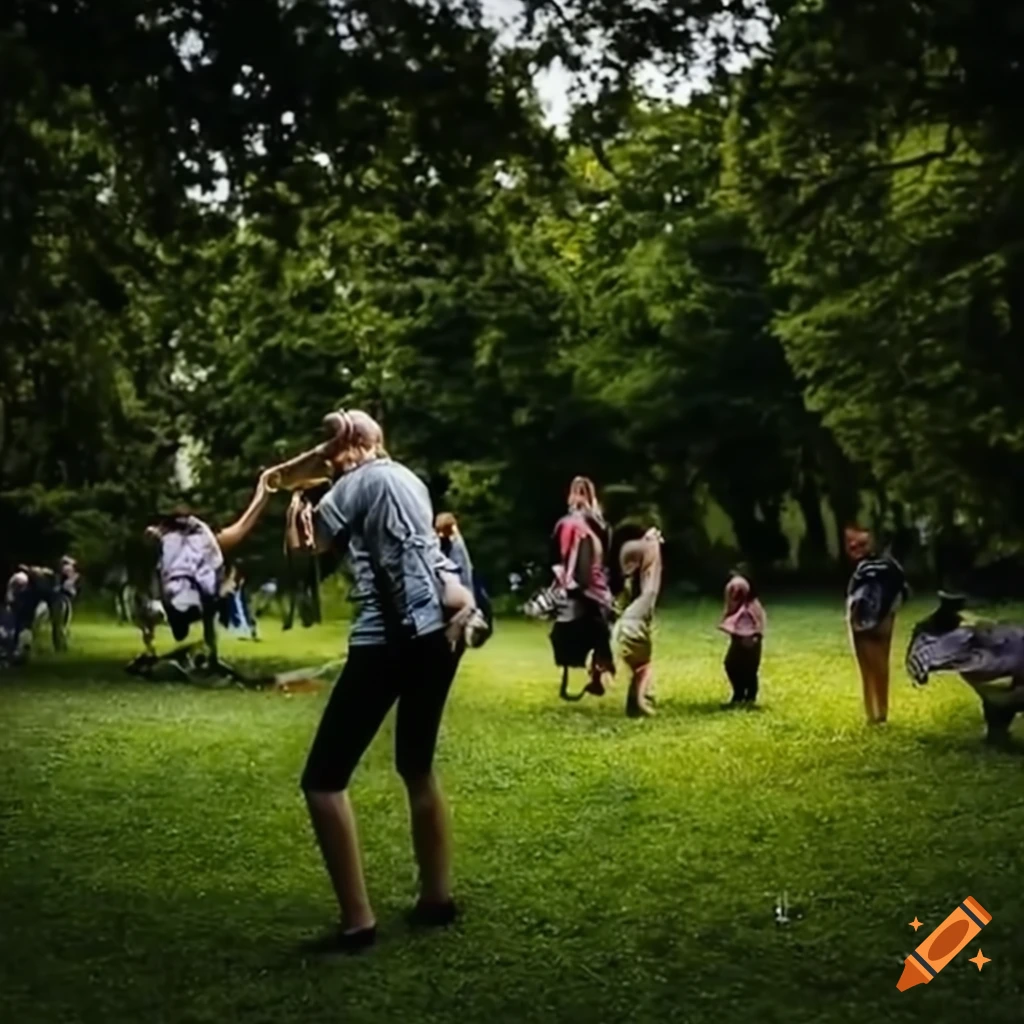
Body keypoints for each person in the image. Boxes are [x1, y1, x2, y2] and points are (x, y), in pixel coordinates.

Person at [283, 409, 465, 955]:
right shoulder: (411, 479)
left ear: (346, 446)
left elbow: (306, 549)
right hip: (439, 634)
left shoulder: (355, 483)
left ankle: (357, 922)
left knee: (323, 781)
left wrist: (297, 496)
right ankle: (436, 899)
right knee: (417, 767)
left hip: (385, 641)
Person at [548, 477, 615, 700]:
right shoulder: (572, 524)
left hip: (590, 586)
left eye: (581, 492)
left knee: (596, 629)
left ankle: (596, 674)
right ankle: (592, 673)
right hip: (579, 587)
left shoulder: (594, 525)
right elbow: (557, 557)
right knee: (587, 630)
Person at [845, 525, 909, 725]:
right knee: (882, 667)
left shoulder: (864, 569)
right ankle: (882, 712)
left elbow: (852, 595)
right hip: (885, 621)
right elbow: (904, 593)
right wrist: (888, 613)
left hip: (861, 623)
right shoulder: (894, 568)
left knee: (867, 670)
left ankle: (871, 714)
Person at [612, 526, 664, 718]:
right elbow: (653, 571)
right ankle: (640, 704)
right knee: (643, 668)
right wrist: (653, 543)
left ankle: (636, 703)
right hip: (634, 628)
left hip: (624, 629)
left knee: (639, 669)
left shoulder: (629, 587)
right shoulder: (646, 594)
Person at [719, 569, 767, 707]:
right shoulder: (747, 604)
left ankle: (748, 697)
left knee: (747, 668)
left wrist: (755, 636)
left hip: (750, 637)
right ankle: (740, 694)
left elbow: (756, 623)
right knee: (734, 665)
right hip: (741, 637)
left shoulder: (750, 606)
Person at [283, 490, 322, 631]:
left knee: (302, 585)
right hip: (300, 548)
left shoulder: (301, 509)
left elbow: (296, 527)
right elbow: (290, 528)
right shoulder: (298, 509)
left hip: (302, 548)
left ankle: (306, 617)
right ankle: (305, 616)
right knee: (300, 585)